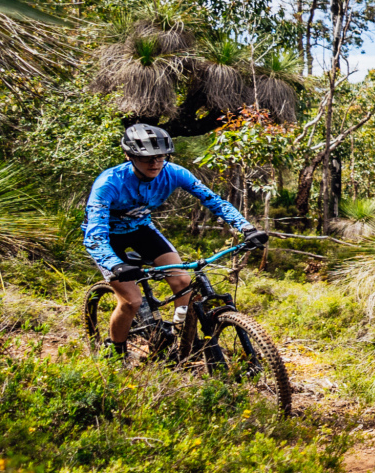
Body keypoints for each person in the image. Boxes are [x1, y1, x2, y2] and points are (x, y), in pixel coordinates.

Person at [84, 123, 265, 351]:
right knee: (132, 301)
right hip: (109, 239)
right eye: (147, 158)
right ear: (129, 156)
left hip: (141, 230)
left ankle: (180, 341)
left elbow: (213, 200)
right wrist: (114, 264)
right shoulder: (109, 183)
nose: (155, 163)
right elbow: (95, 235)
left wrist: (246, 228)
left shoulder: (174, 173)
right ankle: (115, 351)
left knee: (183, 283)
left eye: (160, 157)